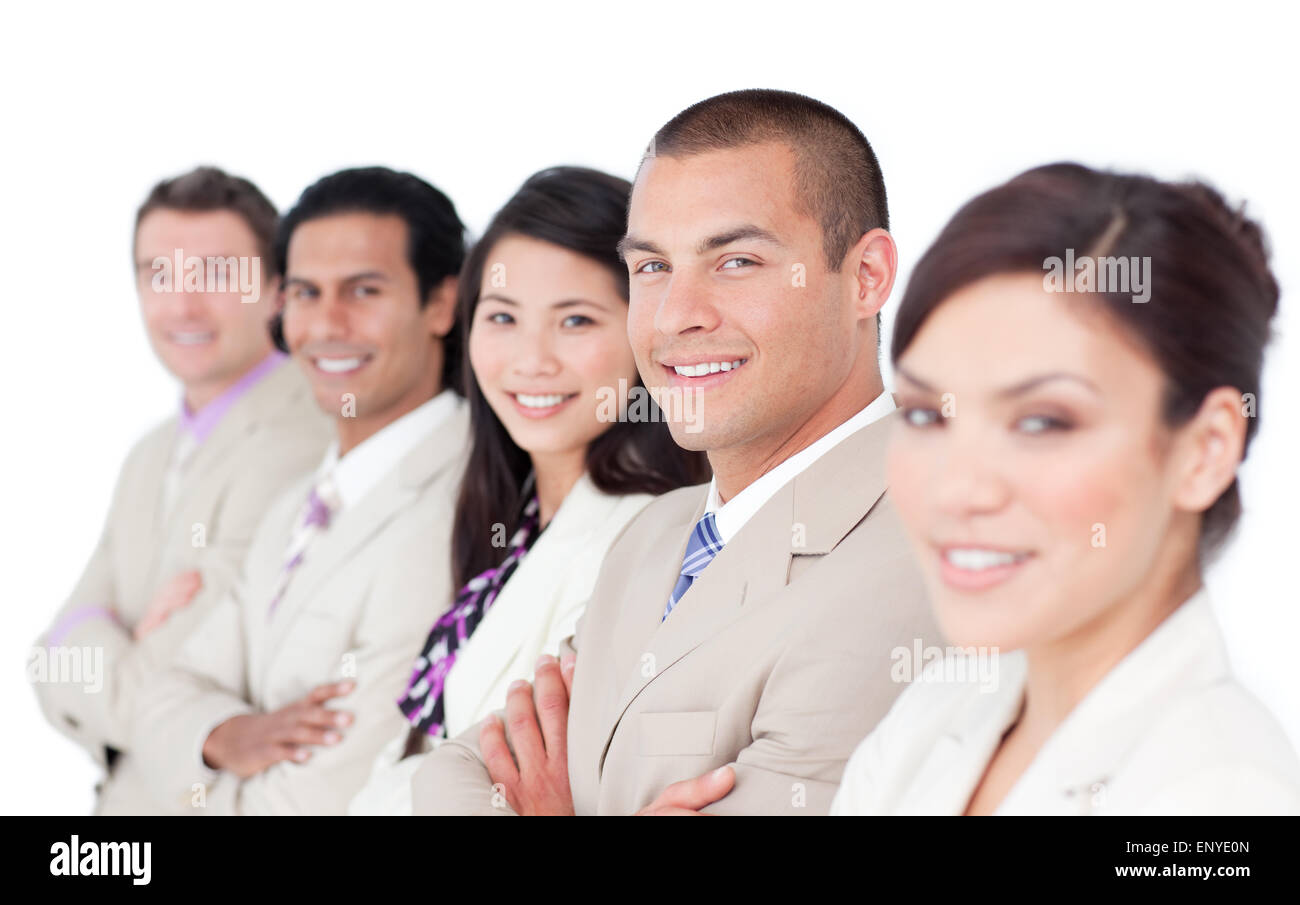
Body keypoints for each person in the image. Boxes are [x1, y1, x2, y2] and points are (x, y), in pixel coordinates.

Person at [412, 89, 941, 816]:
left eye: (736, 261)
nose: (677, 316)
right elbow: (451, 772)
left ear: (867, 277)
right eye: (653, 267)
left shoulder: (921, 559)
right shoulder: (654, 535)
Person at [832, 163, 1300, 815]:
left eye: (1042, 421)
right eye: (924, 414)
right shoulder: (929, 720)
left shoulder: (1222, 797)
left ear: (1205, 449)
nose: (957, 490)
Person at [349, 166, 709, 815]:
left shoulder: (648, 540)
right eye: (503, 317)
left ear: (643, 327)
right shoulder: (507, 522)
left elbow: (503, 783)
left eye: (575, 320)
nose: (531, 359)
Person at [131, 167, 472, 815]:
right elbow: (160, 696)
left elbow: (331, 793)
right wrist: (223, 734)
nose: (326, 323)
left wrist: (194, 773)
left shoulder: (457, 503)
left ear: (440, 303)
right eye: (305, 292)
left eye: (364, 290)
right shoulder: (296, 502)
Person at [31, 166, 331, 815]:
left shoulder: (305, 436)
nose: (183, 306)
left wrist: (105, 637)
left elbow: (161, 683)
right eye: (158, 275)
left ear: (276, 289)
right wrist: (99, 641)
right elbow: (46, 662)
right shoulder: (149, 453)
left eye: (219, 275)